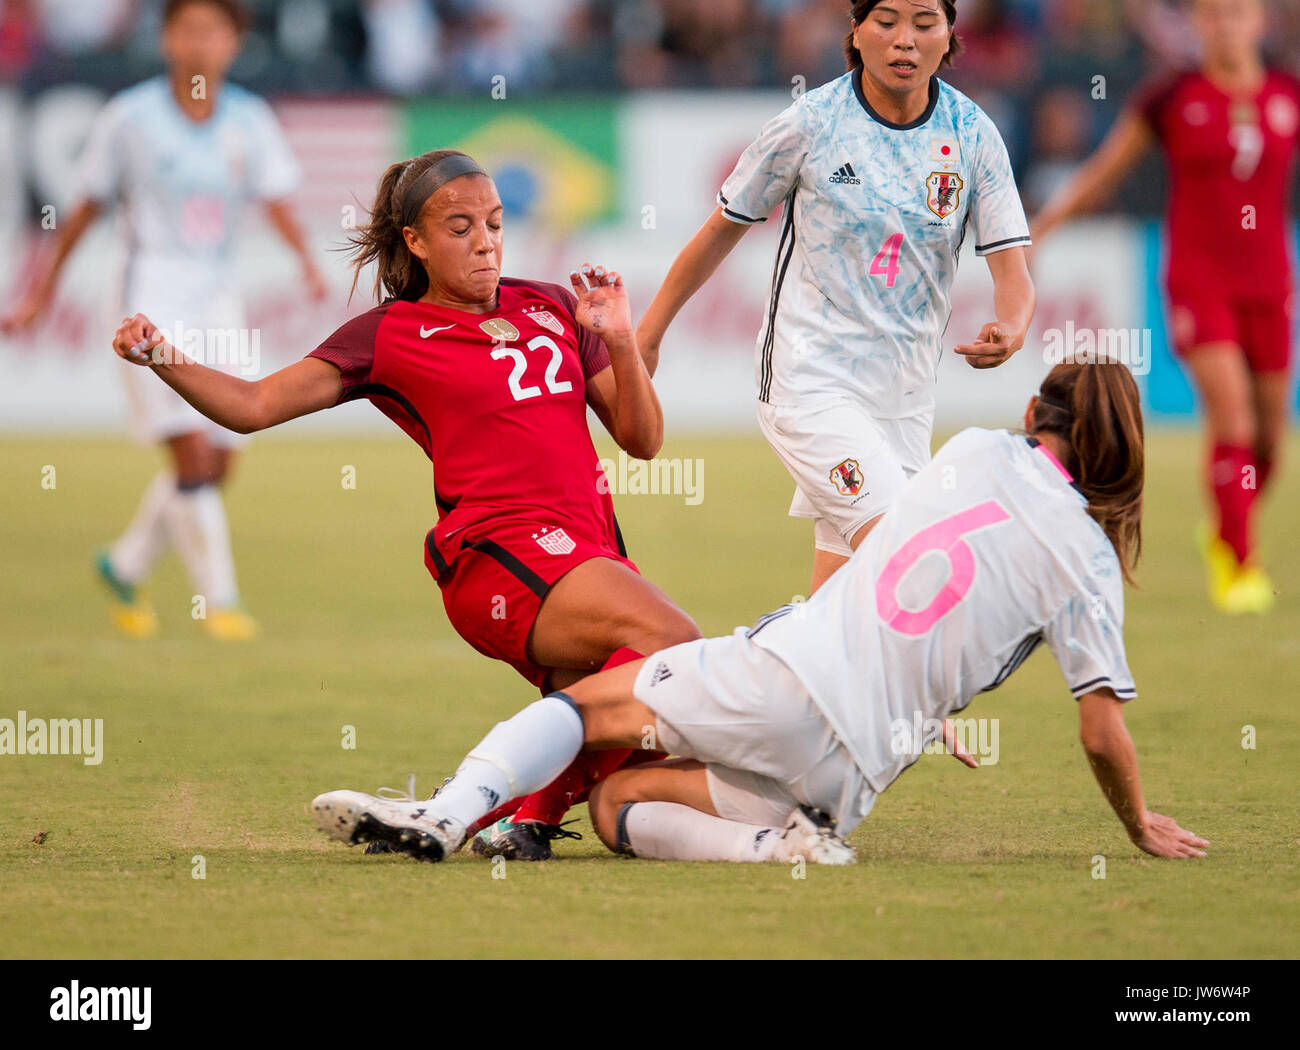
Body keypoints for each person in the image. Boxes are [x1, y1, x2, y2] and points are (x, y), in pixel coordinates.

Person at [310, 361, 1208, 866]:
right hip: (858, 771)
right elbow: (1100, 730)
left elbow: (902, 546)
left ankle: (449, 812)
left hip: (785, 678)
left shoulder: (975, 449)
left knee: (589, 709)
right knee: (619, 803)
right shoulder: (1089, 562)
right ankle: (781, 847)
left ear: (1028, 414)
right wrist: (1136, 825)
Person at [110, 149, 702, 860]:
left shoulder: (549, 304)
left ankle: (489, 819)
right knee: (676, 644)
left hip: (590, 552)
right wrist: (160, 355)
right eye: (459, 227)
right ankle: (473, 810)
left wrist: (618, 342)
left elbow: (642, 440)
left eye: (493, 222)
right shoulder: (392, 333)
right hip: (500, 556)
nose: (484, 240)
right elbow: (254, 405)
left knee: (639, 726)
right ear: (415, 242)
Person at [636, 0, 1035, 594]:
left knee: (843, 611)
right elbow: (721, 229)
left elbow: (1012, 266)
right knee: (909, 554)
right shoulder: (811, 122)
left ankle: (784, 680)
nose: (905, 40)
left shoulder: (973, 133)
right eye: (887, 22)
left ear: (949, 34)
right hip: (808, 381)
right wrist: (648, 334)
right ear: (856, 30)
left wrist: (1015, 324)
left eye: (924, 24)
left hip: (904, 397)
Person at [1, 0, 325, 641]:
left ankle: (124, 565)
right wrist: (38, 295)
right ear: (167, 39)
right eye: (186, 29)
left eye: (214, 30)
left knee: (223, 455)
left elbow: (276, 196)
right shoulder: (130, 118)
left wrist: (307, 261)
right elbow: (84, 211)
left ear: (235, 42)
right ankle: (223, 604)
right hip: (148, 299)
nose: (199, 44)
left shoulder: (250, 119)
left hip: (217, 300)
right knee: (193, 451)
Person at [1032, 0, 1294, 614]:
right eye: (1213, 15)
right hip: (1199, 282)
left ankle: (1229, 521)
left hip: (1272, 284)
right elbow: (1105, 171)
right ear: (1198, 25)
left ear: (1261, 23)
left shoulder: (1287, 95)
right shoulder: (1170, 99)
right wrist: (1044, 226)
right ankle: (1238, 562)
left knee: (1269, 440)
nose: (1225, 25)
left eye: (1237, 14)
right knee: (1231, 419)